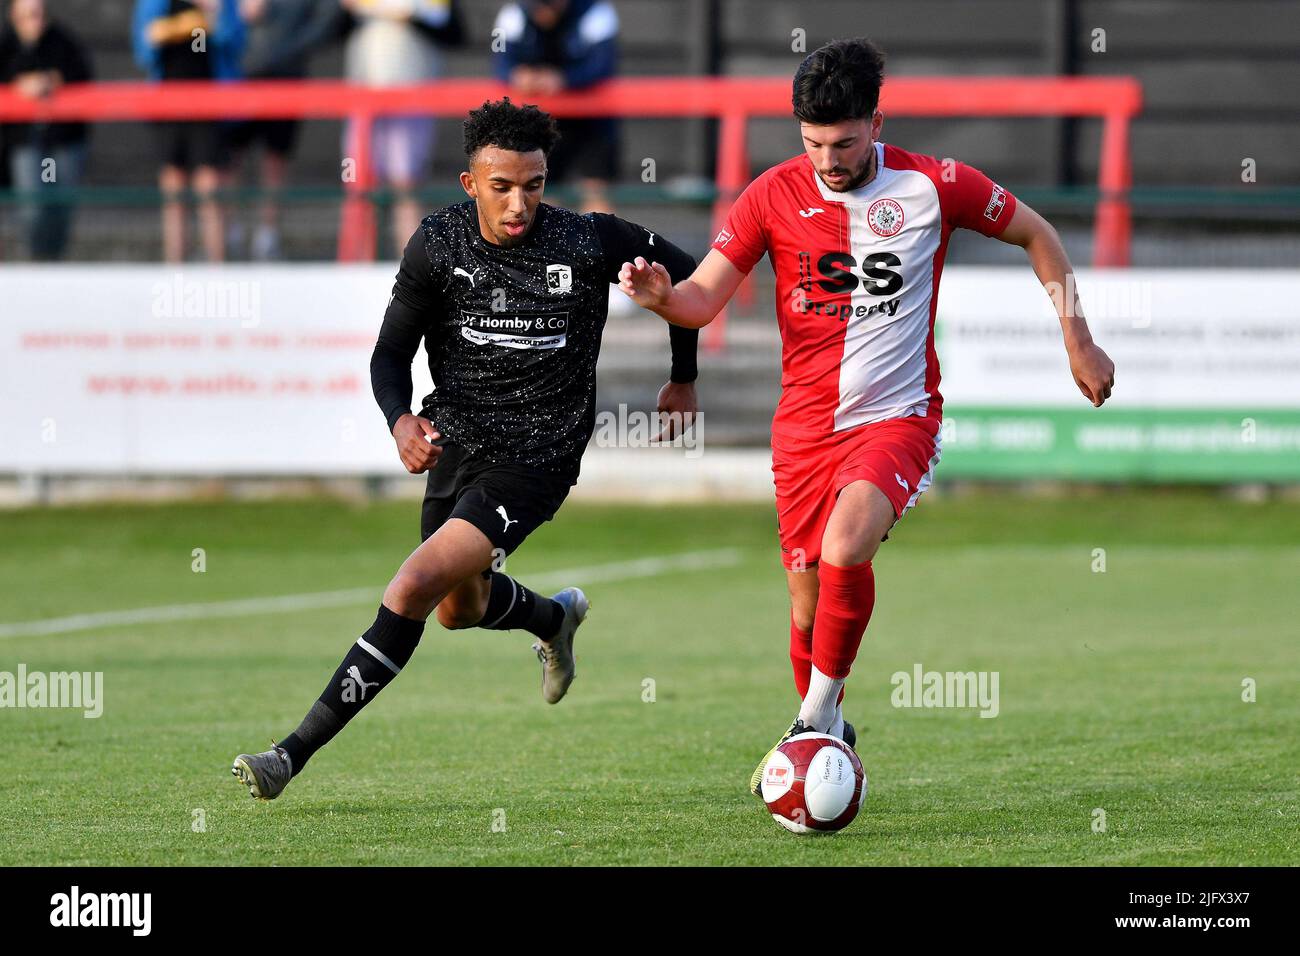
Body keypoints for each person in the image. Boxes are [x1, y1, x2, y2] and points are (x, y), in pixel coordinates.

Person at [617, 38, 1117, 796]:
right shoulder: (769, 195)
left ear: (875, 123)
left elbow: (1037, 234)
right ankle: (826, 721)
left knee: (849, 545)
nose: (828, 158)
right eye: (813, 142)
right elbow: (703, 297)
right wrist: (662, 299)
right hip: (803, 433)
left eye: (844, 142)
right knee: (807, 595)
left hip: (897, 416)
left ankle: (814, 721)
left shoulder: (935, 185)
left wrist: (1077, 337)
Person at [231, 99, 701, 801]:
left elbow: (687, 270)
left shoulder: (589, 241)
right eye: (503, 186)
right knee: (458, 609)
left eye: (534, 184)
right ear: (469, 182)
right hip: (456, 442)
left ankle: (287, 756)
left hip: (540, 453)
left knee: (413, 585)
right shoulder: (437, 246)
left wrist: (682, 376)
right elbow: (389, 355)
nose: (520, 203)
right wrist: (399, 422)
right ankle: (551, 617)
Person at [339, 0, 464, 259]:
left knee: (405, 183)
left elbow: (454, 30)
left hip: (410, 88)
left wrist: (409, 12)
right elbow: (334, 25)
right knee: (358, 181)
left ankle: (410, 269)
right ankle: (357, 264)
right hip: (364, 89)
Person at [226, 0, 344, 260]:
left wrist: (290, 48)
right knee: (231, 156)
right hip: (239, 75)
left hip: (285, 76)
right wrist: (234, 18)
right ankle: (229, 231)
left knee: (275, 158)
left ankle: (267, 235)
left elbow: (326, 20)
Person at [132, 0, 245, 263]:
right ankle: (176, 268)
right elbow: (143, 51)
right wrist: (163, 32)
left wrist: (214, 13)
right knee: (174, 191)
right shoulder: (155, 4)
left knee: (210, 189)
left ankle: (217, 270)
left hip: (209, 106)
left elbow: (236, 43)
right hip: (169, 105)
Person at [493, 0, 619, 214]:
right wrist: (519, 76)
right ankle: (548, 248)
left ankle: (600, 248)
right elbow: (502, 63)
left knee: (595, 192)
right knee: (542, 192)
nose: (545, 10)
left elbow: (602, 65)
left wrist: (563, 79)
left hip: (591, 119)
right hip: (538, 120)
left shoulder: (596, 11)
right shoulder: (514, 13)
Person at [0, 0, 93, 260]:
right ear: (15, 16)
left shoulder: (62, 41)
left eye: (39, 14)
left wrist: (53, 80)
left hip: (61, 140)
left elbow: (82, 74)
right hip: (25, 141)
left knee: (60, 203)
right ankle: (35, 261)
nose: (35, 21)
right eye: (28, 15)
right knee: (32, 206)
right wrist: (18, 84)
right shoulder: (7, 44)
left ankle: (54, 262)